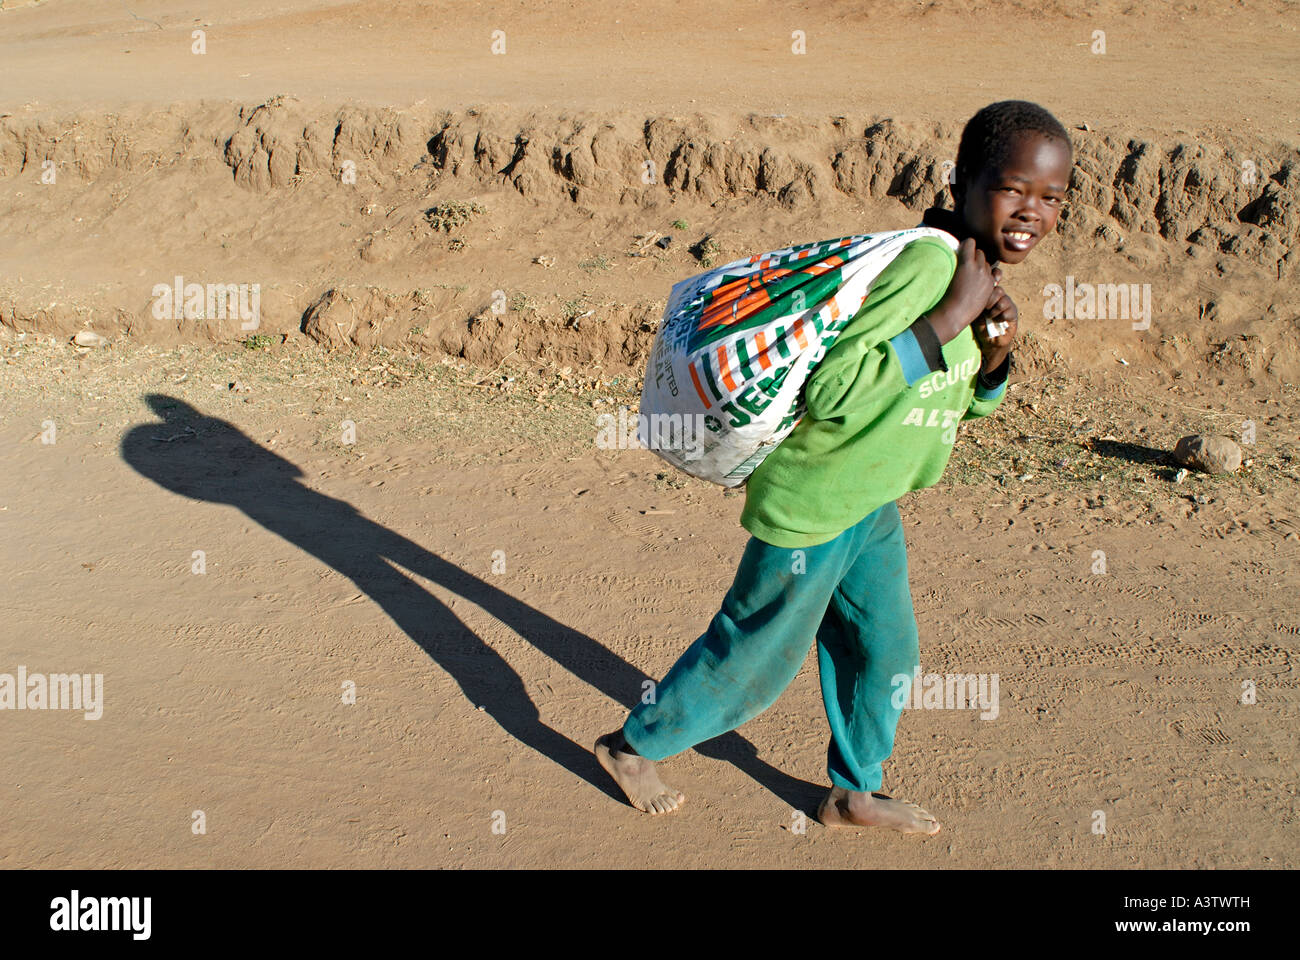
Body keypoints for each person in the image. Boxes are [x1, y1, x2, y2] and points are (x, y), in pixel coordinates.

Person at [596, 100, 1073, 834]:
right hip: (815, 503)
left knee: (884, 649)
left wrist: (995, 355)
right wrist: (949, 318)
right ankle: (633, 746)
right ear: (963, 184)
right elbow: (837, 391)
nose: (1032, 212)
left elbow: (957, 403)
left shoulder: (973, 278)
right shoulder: (928, 271)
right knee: (755, 656)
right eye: (1014, 189)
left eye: (1051, 198)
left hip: (871, 500)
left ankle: (852, 792)